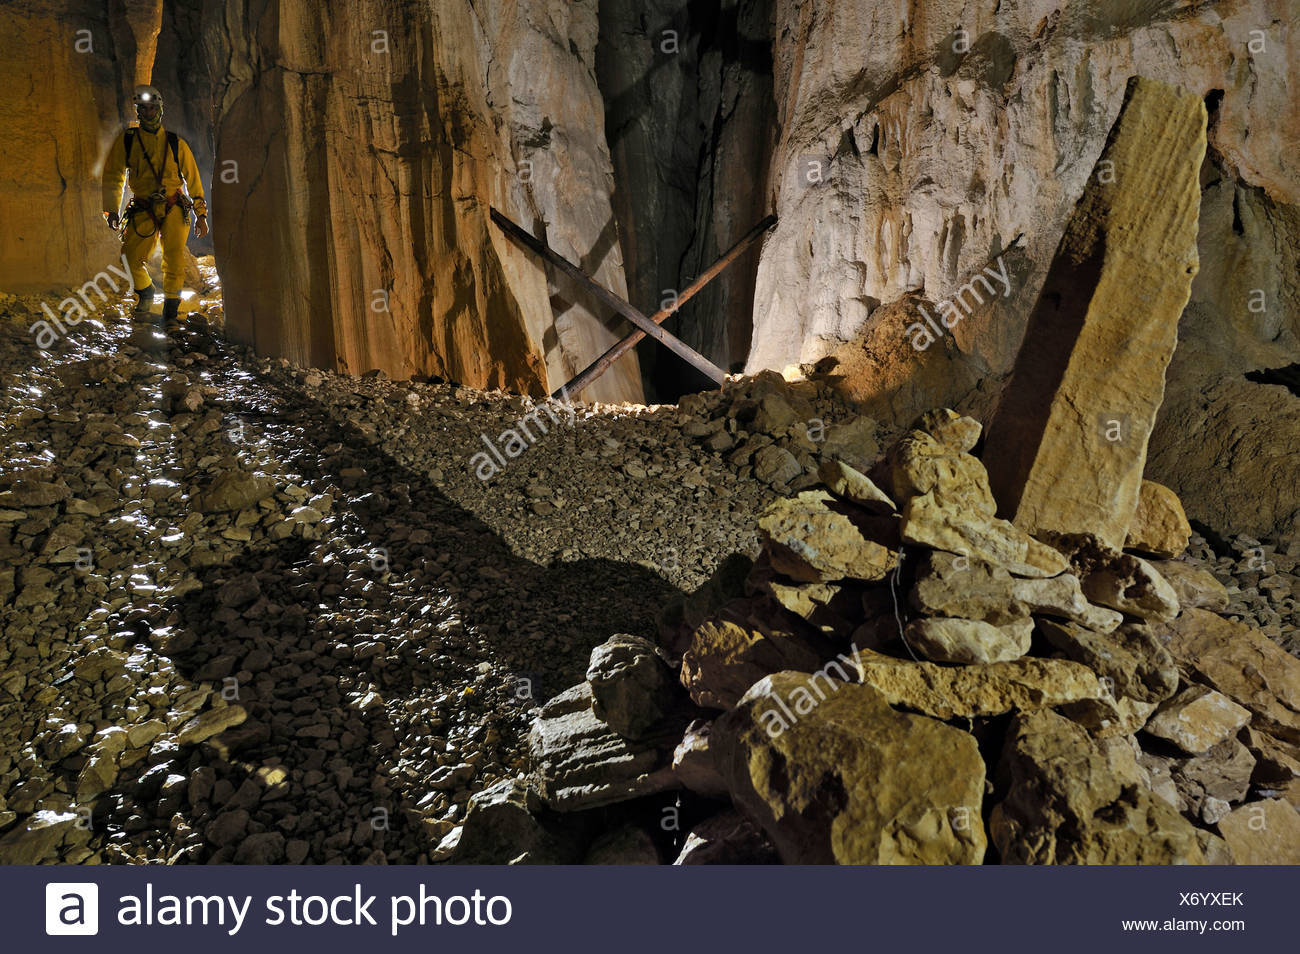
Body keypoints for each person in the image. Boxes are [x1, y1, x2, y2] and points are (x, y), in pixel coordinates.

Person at [101, 85, 209, 331]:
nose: (148, 112)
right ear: (138, 112)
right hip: (142, 207)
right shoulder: (128, 140)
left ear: (159, 109)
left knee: (173, 260)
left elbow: (193, 180)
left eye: (152, 107)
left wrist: (201, 214)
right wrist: (111, 209)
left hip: (173, 206)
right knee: (129, 258)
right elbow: (113, 175)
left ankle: (170, 313)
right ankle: (146, 292)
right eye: (143, 108)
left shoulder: (174, 143)